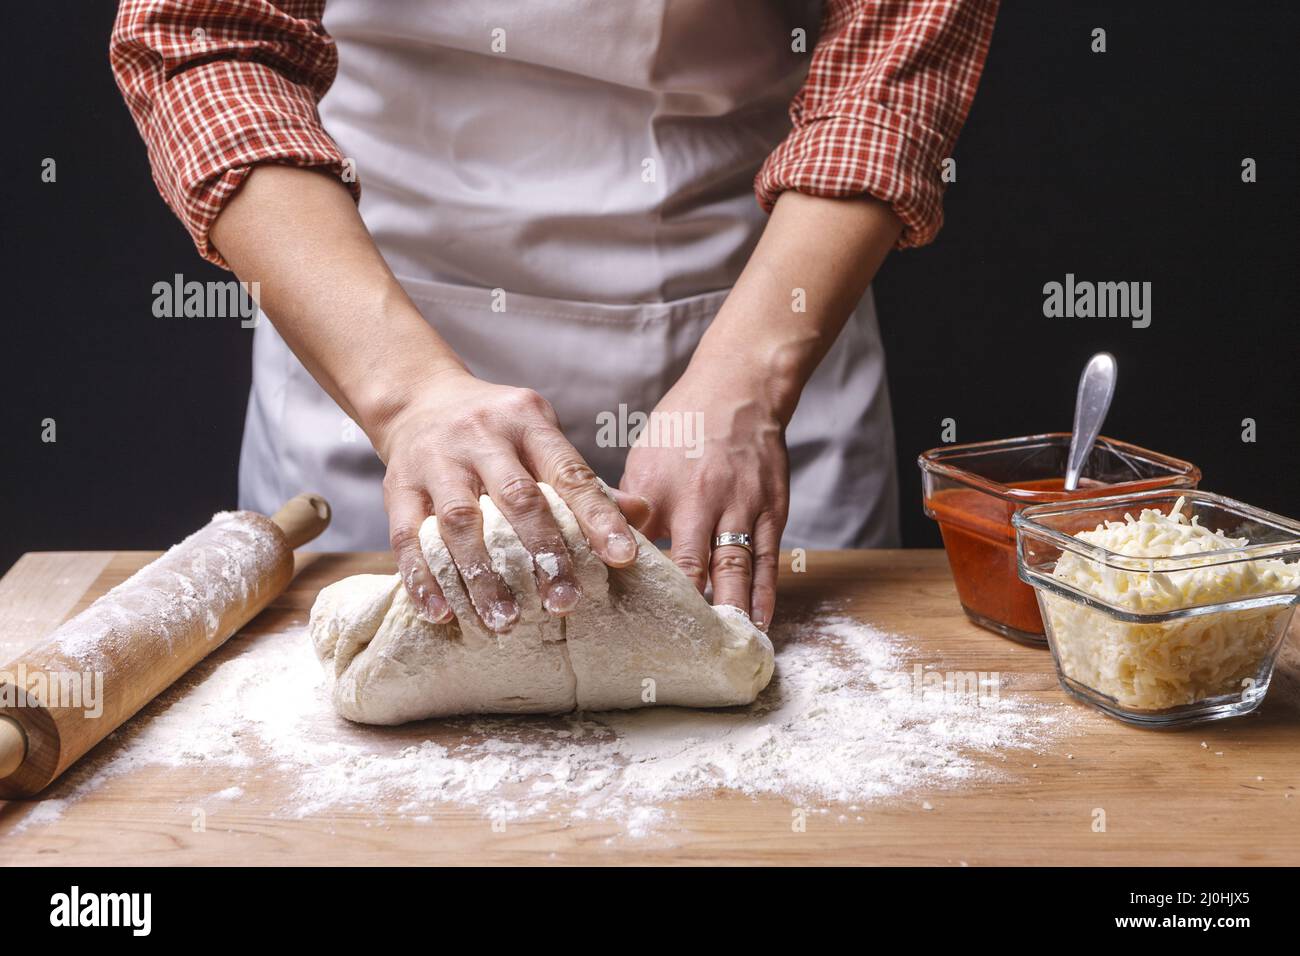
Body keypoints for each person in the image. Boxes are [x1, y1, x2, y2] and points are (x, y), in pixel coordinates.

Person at [111, 0, 999, 635]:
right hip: (368, 312)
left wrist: (751, 377)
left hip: (754, 300)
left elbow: (890, 65)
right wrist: (405, 393)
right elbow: (203, 35)